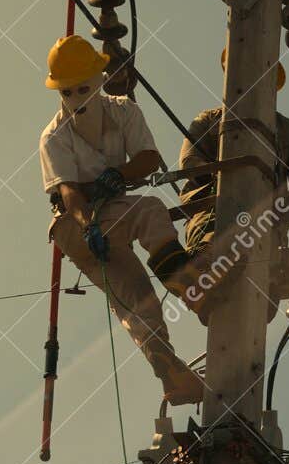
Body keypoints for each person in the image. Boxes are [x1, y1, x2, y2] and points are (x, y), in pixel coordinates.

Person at [38, 36, 205, 406]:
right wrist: (87, 225)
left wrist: (119, 173)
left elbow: (148, 158)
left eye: (83, 88)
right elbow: (69, 193)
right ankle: (186, 305)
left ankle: (175, 367)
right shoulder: (53, 137)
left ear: (98, 81)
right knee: (131, 291)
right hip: (76, 224)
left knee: (147, 225)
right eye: (67, 92)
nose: (76, 99)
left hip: (113, 206)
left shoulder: (124, 111)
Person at [177, 51, 289, 258]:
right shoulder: (209, 120)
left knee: (250, 264)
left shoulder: (288, 130)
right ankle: (204, 264)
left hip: (264, 224)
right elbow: (188, 162)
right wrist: (224, 182)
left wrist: (287, 207)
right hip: (209, 214)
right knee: (209, 254)